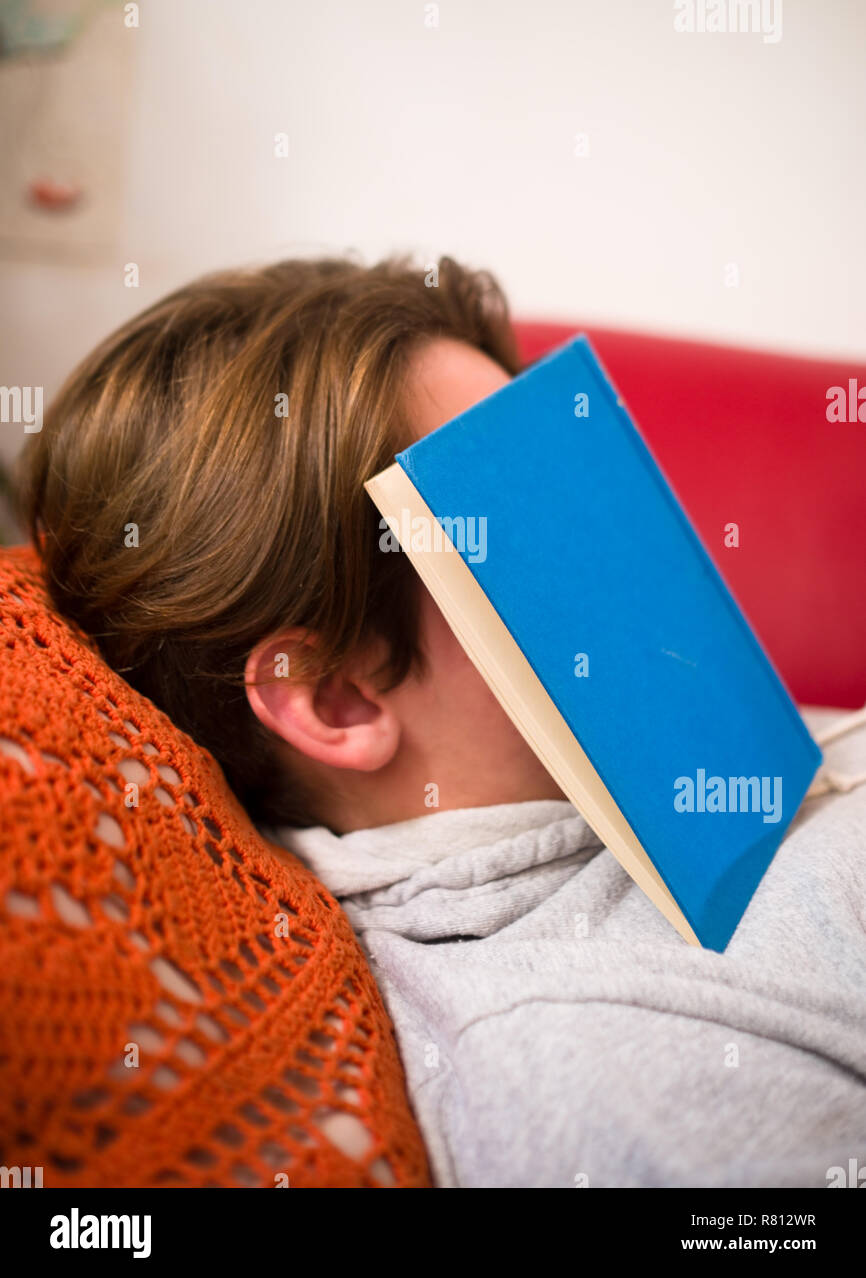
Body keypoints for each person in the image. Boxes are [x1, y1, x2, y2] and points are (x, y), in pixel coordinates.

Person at [21, 255, 866, 1188]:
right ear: (338, 699)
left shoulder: (682, 755)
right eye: (527, 509)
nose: (628, 540)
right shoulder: (599, 1065)